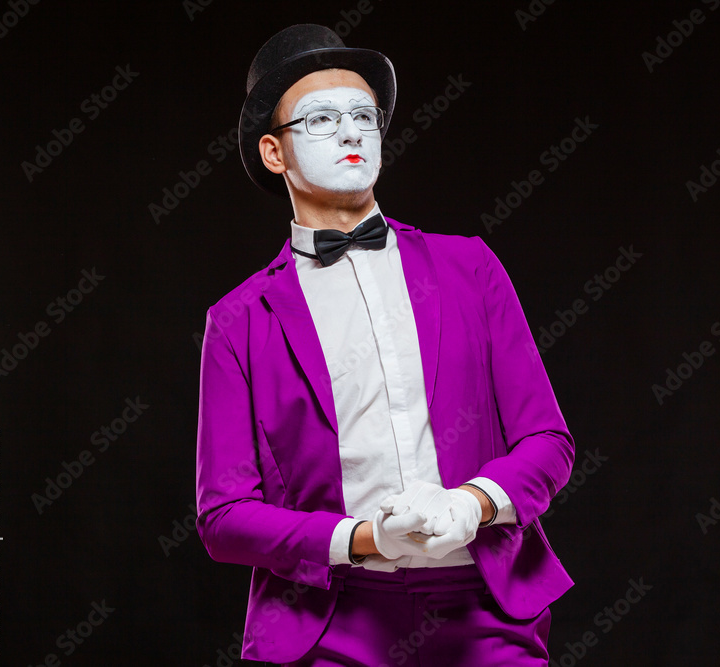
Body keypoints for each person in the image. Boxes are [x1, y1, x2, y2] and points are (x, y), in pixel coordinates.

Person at [196, 24, 575, 666]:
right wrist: (364, 539)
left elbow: (548, 444)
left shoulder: (471, 268)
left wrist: (472, 503)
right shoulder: (238, 320)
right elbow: (224, 515)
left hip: (486, 610)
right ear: (272, 153)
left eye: (362, 116)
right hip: (327, 621)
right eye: (320, 119)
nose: (349, 133)